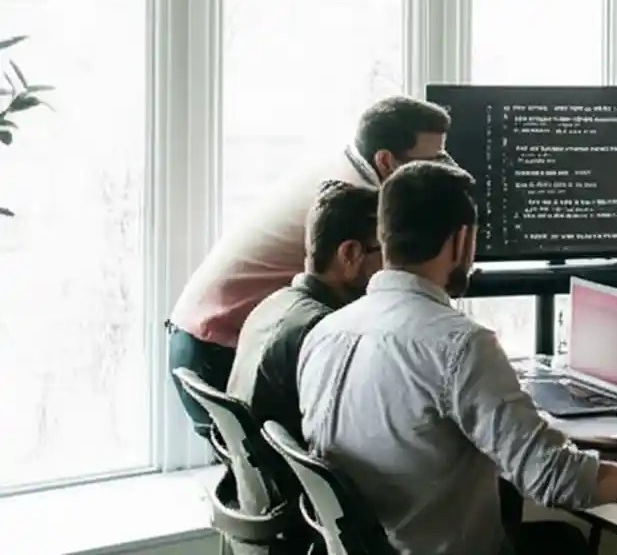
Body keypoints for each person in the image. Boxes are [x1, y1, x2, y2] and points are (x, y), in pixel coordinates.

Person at [296, 161, 617, 555]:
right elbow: (556, 480)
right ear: (460, 242)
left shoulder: (324, 333)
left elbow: (418, 437)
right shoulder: (459, 343)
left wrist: (550, 439)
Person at [167, 96, 453, 438]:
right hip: (217, 346)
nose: (444, 171)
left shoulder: (341, 171)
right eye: (433, 160)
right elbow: (392, 296)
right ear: (387, 160)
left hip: (203, 338)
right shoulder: (360, 202)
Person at [226, 180, 381, 442]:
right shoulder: (325, 332)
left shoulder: (273, 303)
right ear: (351, 254)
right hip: (290, 477)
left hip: (257, 474)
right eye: (387, 251)